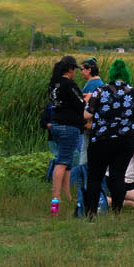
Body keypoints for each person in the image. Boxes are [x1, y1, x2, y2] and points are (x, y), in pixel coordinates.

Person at [82, 72, 134, 220]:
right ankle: (116, 212)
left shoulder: (100, 91)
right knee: (118, 176)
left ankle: (91, 214)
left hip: (101, 140)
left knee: (94, 178)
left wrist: (89, 104)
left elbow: (87, 116)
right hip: (125, 141)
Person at [46, 55, 85, 217]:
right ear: (70, 69)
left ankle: (67, 195)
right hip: (68, 126)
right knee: (62, 162)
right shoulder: (69, 84)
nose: (76, 72)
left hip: (55, 125)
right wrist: (86, 99)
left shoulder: (53, 85)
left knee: (67, 161)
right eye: (75, 69)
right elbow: (80, 104)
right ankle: (56, 198)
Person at [77, 58, 105, 164]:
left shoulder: (92, 84)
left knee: (85, 148)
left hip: (90, 122)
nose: (81, 72)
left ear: (89, 70)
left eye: (82, 69)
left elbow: (89, 105)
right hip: (98, 123)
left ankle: (82, 173)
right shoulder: (100, 83)